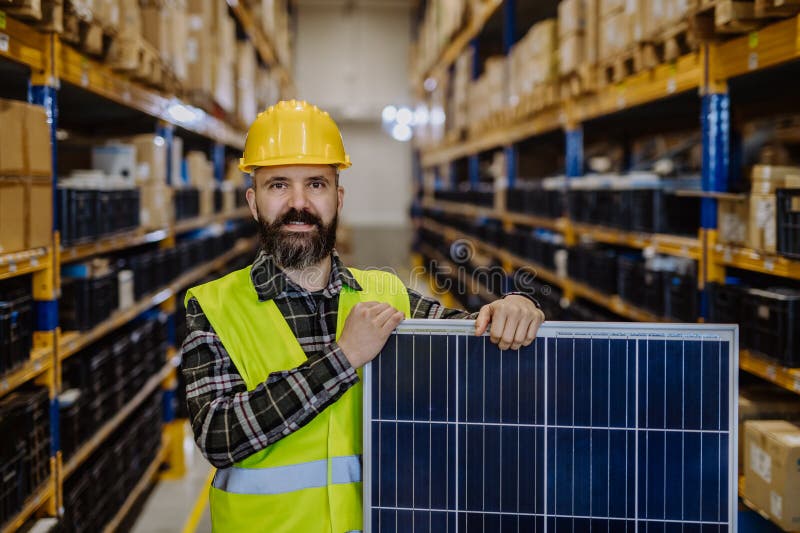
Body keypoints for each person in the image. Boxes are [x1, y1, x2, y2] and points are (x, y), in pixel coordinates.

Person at [181, 100, 545, 532]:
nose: (299, 203)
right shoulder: (213, 307)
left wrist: (512, 309)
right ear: (254, 202)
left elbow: (474, 334)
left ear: (338, 198)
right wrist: (343, 357)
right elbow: (218, 438)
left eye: (316, 184)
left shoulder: (387, 295)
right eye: (278, 185)